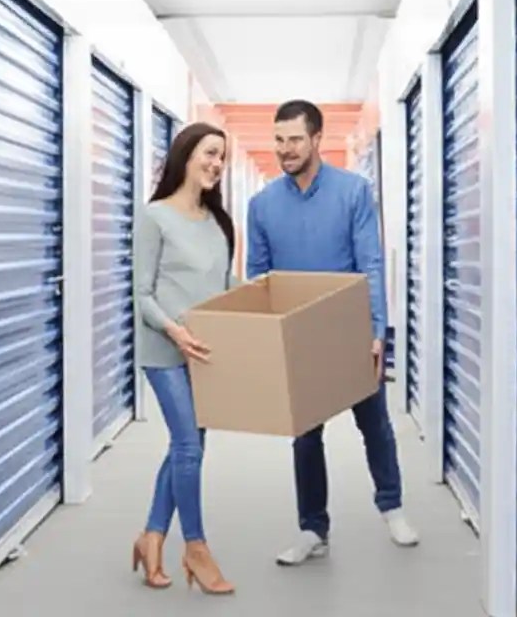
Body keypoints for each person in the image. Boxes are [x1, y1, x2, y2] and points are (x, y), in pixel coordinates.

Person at [245, 99, 420, 567]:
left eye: (295, 139)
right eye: (279, 139)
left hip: (349, 331)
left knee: (375, 425)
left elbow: (370, 264)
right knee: (304, 438)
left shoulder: (354, 192)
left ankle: (392, 507)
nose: (285, 149)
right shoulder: (261, 205)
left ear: (317, 139)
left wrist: (377, 331)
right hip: (297, 339)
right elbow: (257, 279)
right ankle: (312, 529)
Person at [131, 121, 237, 595]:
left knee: (184, 447)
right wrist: (175, 330)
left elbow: (223, 287)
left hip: (207, 350)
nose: (217, 163)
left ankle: (151, 537)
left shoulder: (218, 222)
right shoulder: (154, 216)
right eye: (210, 153)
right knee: (189, 448)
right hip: (165, 349)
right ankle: (195, 547)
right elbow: (143, 293)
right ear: (187, 154)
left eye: (222, 157)